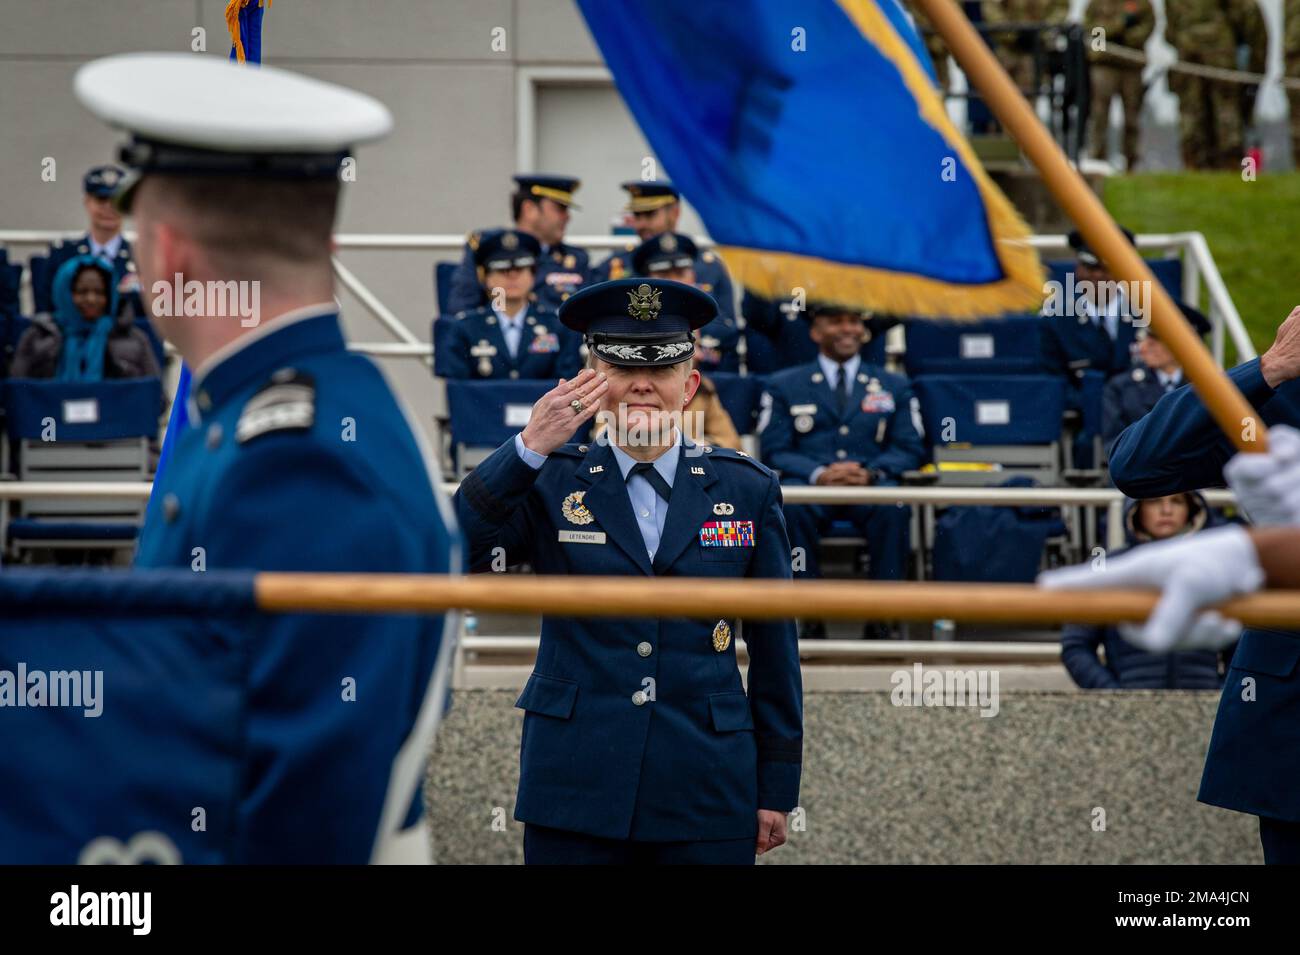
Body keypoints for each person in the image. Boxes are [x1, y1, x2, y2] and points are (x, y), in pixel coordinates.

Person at [75, 52, 458, 863]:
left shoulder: (301, 461)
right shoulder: (283, 415)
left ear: (168, 250)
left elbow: (300, 824)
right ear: (326, 235)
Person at [453, 277, 802, 865]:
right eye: (619, 365)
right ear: (590, 379)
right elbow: (455, 551)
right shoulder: (548, 477)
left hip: (706, 781)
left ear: (689, 385)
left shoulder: (747, 489)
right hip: (576, 778)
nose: (641, 383)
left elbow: (775, 647)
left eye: (661, 368)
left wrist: (777, 785)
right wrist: (530, 444)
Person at [759, 302, 925, 636]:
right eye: (836, 322)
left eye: (854, 322)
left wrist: (871, 473)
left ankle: (884, 619)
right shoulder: (784, 384)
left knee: (894, 507)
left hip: (870, 485)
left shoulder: (894, 385)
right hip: (811, 486)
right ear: (815, 331)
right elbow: (774, 449)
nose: (847, 329)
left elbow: (910, 447)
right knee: (790, 507)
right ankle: (806, 616)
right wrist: (819, 473)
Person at [1060, 492, 1232, 689]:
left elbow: (1240, 647)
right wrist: (1113, 695)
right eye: (1154, 500)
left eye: (1177, 501)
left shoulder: (1215, 570)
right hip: (1130, 707)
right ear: (1136, 509)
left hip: (1205, 708)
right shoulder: (1111, 570)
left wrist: (1220, 695)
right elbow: (1076, 646)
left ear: (1191, 509)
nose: (1166, 510)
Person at [434, 228, 581, 380]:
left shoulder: (557, 326)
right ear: (486, 278)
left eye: (520, 269)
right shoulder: (466, 328)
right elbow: (460, 391)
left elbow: (566, 383)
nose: (512, 276)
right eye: (502, 269)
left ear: (533, 275)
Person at [444, 174, 590, 314]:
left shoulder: (576, 258)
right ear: (529, 209)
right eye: (560, 208)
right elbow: (462, 309)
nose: (567, 217)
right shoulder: (488, 248)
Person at [590, 180, 736, 319]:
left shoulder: (709, 266)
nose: (641, 224)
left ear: (675, 213)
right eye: (637, 215)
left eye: (649, 214)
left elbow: (726, 328)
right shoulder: (612, 266)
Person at [10, 254, 159, 380]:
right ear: (64, 293)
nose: (91, 299)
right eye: (82, 292)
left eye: (99, 292)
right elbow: (19, 394)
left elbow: (156, 397)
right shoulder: (38, 337)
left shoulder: (134, 338)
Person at [1166, 0, 1267, 170]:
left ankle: (1198, 164)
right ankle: (1229, 162)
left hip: (1190, 50)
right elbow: (1246, 17)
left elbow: (1170, 28)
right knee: (1222, 108)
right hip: (1218, 52)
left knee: (1196, 110)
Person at [32, 164, 142, 318]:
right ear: (87, 202)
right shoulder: (63, 255)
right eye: (101, 200)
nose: (108, 208)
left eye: (115, 201)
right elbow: (46, 312)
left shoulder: (141, 257)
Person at [1100, 301, 1211, 449]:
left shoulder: (1207, 388)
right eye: (1146, 339)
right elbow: (1114, 445)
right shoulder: (1121, 387)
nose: (1144, 347)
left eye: (1156, 341)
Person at [630, 232, 740, 373]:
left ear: (693, 275)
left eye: (681, 274)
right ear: (647, 280)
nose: (675, 282)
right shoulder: (635, 319)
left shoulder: (711, 313)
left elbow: (728, 367)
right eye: (664, 275)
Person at [1083, 0, 1155, 170]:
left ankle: (1131, 162)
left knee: (1132, 116)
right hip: (1103, 64)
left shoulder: (1142, 4)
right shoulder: (1096, 4)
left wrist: (1126, 37)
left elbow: (1147, 28)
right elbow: (1093, 31)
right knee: (1099, 114)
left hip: (1131, 65)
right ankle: (1097, 161)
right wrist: (1121, 25)